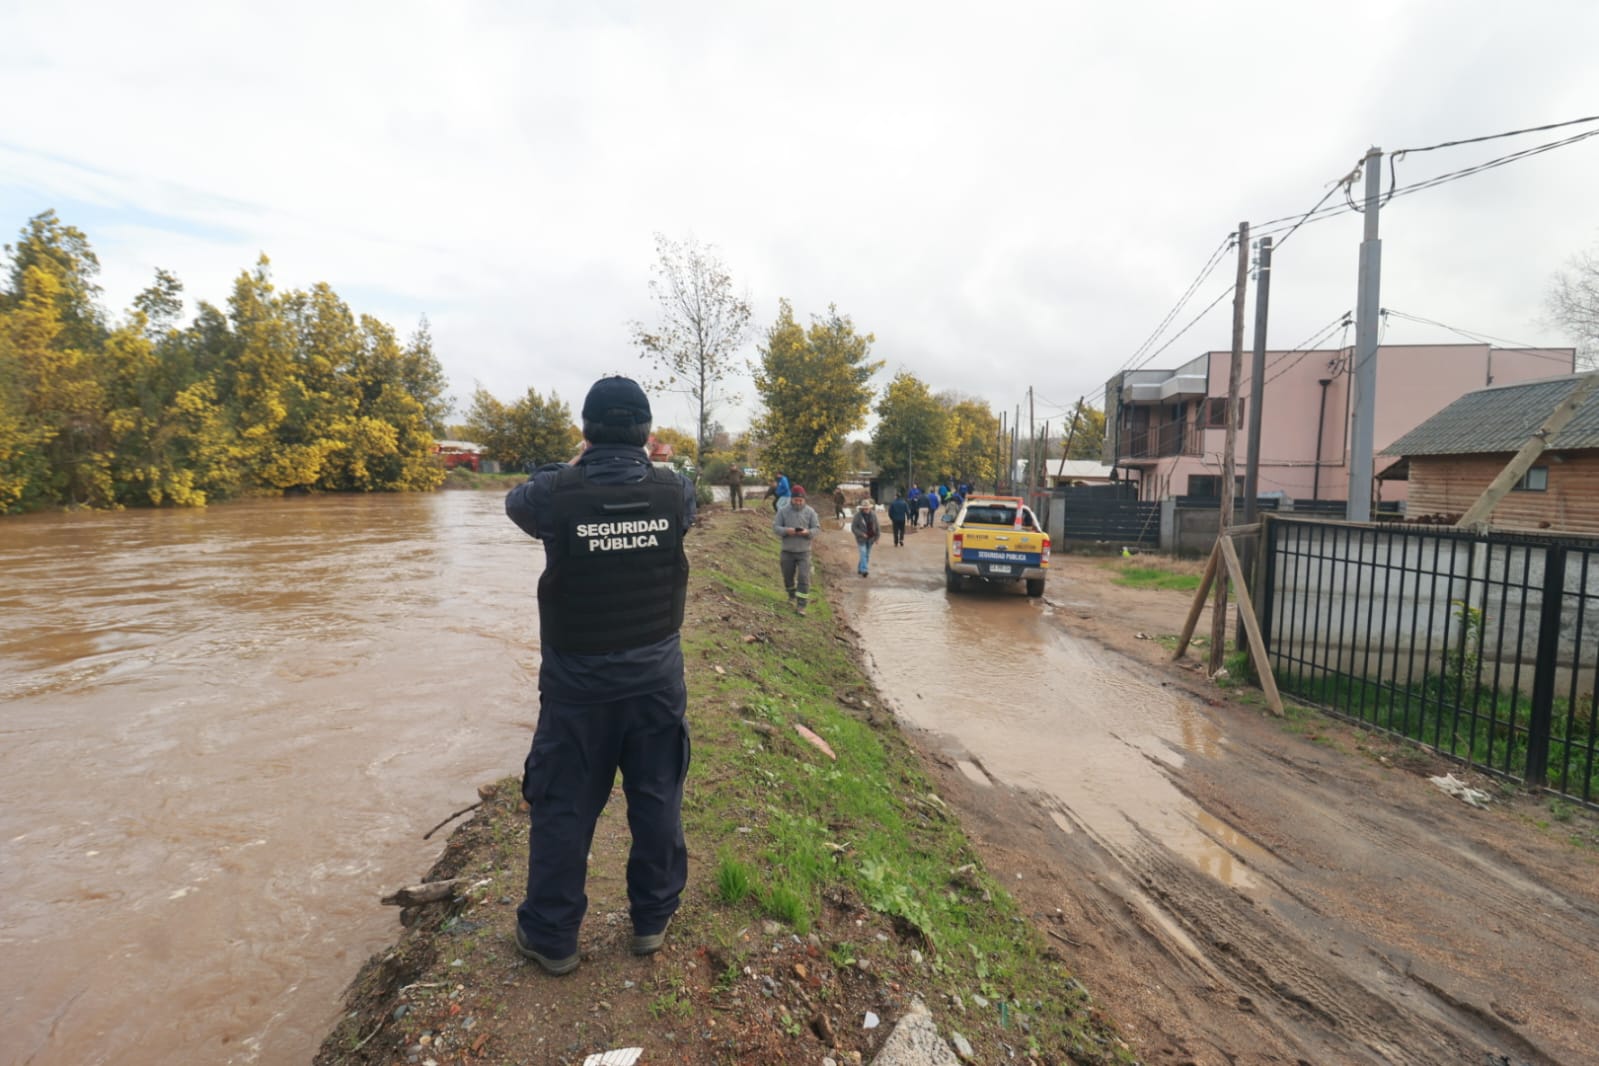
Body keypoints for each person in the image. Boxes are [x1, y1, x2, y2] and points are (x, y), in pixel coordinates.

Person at [503, 375, 697, 977]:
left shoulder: (552, 494)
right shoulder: (677, 492)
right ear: (647, 434)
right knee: (657, 797)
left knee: (564, 807)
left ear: (585, 432)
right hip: (655, 683)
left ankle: (552, 937)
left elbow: (517, 501)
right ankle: (652, 920)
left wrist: (576, 464)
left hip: (577, 690)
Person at [773, 484, 821, 614]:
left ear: (804, 499)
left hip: (804, 552)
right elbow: (776, 528)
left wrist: (807, 532)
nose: (798, 502)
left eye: (801, 500)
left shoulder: (811, 512)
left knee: (804, 578)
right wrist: (787, 531)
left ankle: (801, 605)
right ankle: (791, 594)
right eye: (796, 500)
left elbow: (817, 529)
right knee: (788, 576)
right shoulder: (783, 511)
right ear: (791, 499)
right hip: (787, 551)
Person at [851, 499, 881, 577]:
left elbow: (877, 527)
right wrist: (861, 534)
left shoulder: (873, 515)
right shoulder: (858, 516)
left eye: (867, 508)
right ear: (862, 508)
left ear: (870, 508)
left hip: (870, 539)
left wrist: (877, 538)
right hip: (861, 539)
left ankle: (860, 568)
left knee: (866, 554)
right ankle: (864, 570)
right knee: (863, 553)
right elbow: (853, 528)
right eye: (865, 508)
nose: (866, 510)